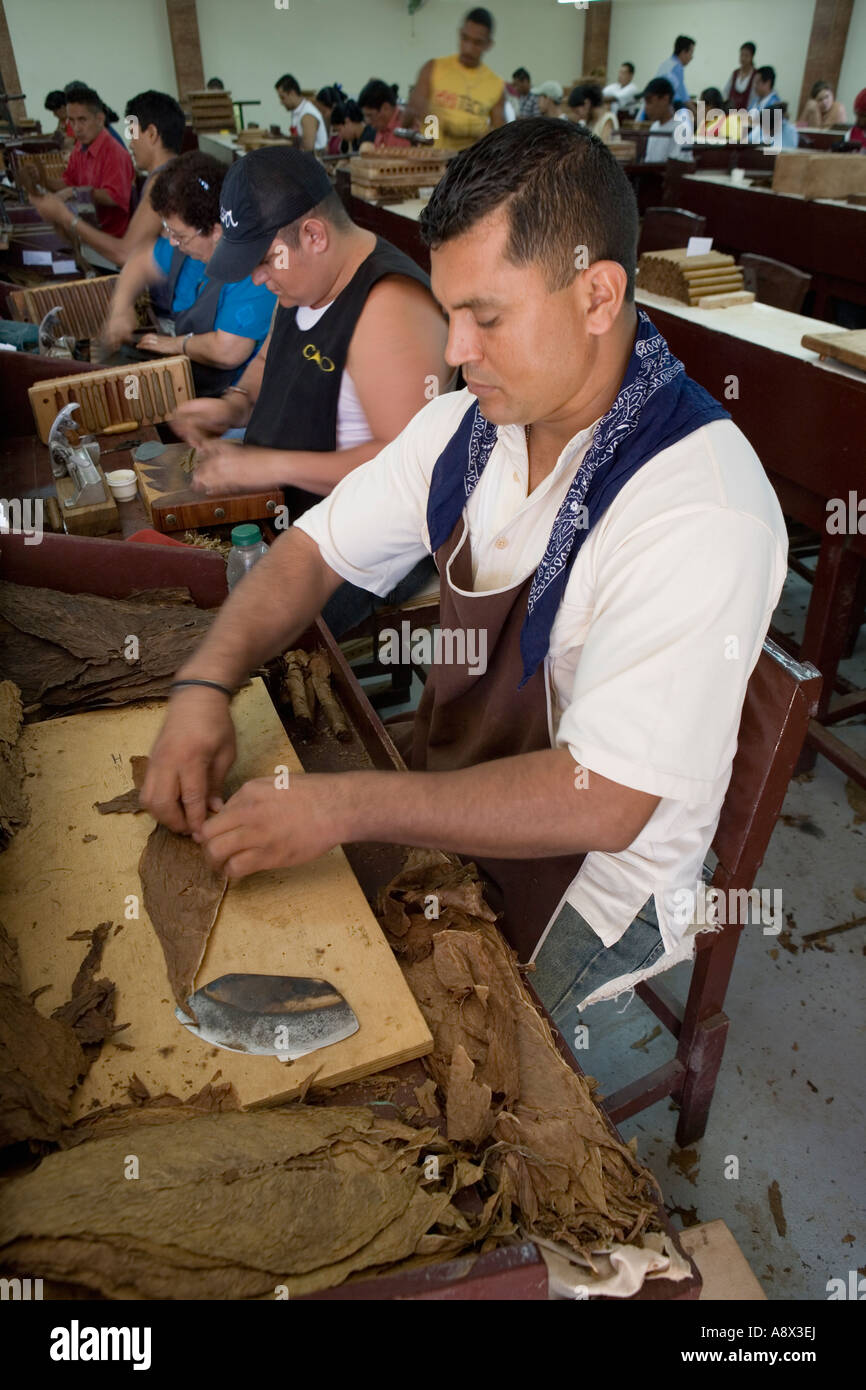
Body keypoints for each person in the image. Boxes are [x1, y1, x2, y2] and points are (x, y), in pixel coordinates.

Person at [138, 118, 787, 1018]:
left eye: (487, 317)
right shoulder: (468, 431)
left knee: (412, 1060)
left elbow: (603, 802)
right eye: (452, 314)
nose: (453, 352)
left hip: (597, 881)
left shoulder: (698, 508)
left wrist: (346, 807)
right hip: (465, 777)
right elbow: (315, 548)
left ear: (598, 295)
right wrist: (204, 684)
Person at [166, 149, 448, 565]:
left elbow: (405, 465)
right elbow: (268, 362)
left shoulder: (390, 306)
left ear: (315, 236)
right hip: (282, 510)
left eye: (263, 261)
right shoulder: (303, 281)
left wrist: (267, 466)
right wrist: (234, 405)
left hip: (357, 550)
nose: (257, 277)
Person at [102, 152, 276, 397]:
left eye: (180, 235)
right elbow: (139, 262)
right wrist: (121, 308)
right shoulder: (187, 251)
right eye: (168, 231)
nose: (172, 242)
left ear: (216, 230)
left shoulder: (251, 270)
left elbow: (228, 351)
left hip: (235, 400)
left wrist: (178, 344)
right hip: (193, 382)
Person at [29, 90, 185, 268]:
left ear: (151, 134)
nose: (131, 144)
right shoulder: (174, 173)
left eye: (133, 133)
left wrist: (65, 217)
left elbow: (124, 254)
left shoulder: (163, 183)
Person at [34, 85, 134, 240]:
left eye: (82, 120)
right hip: (88, 229)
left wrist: (75, 192)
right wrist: (42, 180)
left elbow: (114, 197)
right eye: (71, 121)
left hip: (111, 238)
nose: (76, 128)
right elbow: (68, 182)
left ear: (100, 119)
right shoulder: (80, 147)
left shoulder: (114, 153)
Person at [406, 6, 506, 151]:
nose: (468, 48)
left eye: (477, 43)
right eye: (465, 38)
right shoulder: (433, 68)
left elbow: (501, 138)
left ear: (488, 44)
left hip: (468, 168)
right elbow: (409, 116)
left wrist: (478, 133)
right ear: (460, 33)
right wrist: (414, 111)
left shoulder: (496, 85)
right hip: (429, 163)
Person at [641, 77, 694, 162]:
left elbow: (677, 167)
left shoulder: (681, 129)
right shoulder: (654, 127)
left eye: (649, 102)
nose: (646, 108)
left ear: (665, 99)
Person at [275, 74, 328, 152]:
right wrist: (279, 137)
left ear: (292, 93)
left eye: (283, 97)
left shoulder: (307, 114)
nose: (281, 102)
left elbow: (308, 148)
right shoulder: (297, 111)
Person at [358, 79, 411, 148]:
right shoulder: (381, 128)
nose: (368, 122)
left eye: (370, 115)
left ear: (386, 107)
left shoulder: (406, 126)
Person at [652, 35, 694, 106]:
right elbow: (682, 95)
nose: (691, 57)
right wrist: (696, 112)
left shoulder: (667, 63)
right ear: (683, 52)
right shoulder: (677, 67)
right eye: (691, 53)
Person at [721, 42, 758, 111]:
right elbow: (725, 93)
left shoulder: (756, 75)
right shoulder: (735, 73)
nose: (743, 58)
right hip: (731, 113)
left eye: (746, 56)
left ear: (752, 57)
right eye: (741, 55)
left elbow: (754, 98)